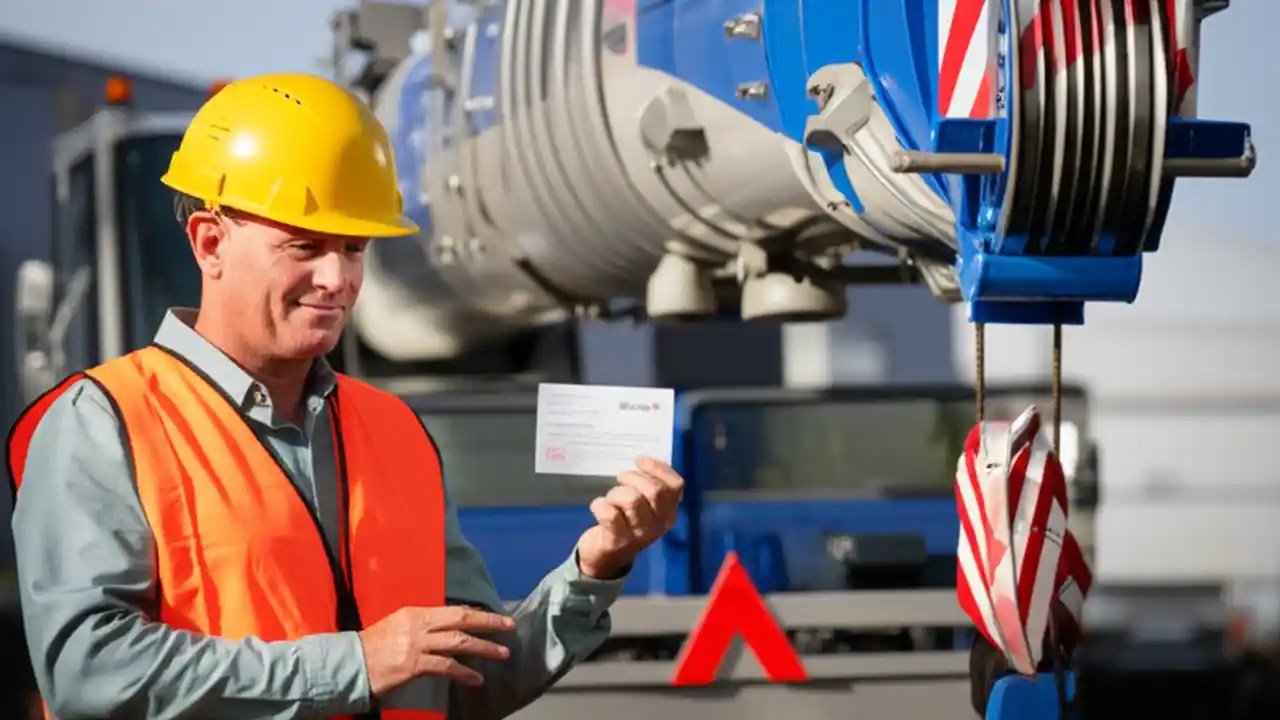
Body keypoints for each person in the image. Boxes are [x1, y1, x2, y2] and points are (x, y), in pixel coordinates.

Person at [7, 72, 684, 719]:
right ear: (210, 243)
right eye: (305, 246)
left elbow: (465, 678)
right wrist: (356, 664)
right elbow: (88, 671)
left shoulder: (394, 430)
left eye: (354, 247)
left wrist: (594, 569)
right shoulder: (103, 421)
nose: (338, 278)